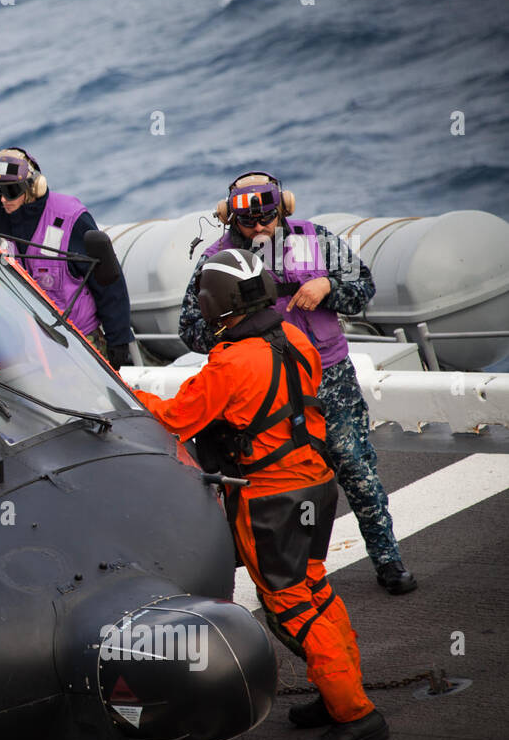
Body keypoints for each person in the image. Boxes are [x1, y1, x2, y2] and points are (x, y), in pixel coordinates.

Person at [140, 248, 388, 740]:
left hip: (271, 497)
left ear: (216, 303)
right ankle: (340, 693)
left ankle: (356, 715)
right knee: (316, 587)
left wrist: (123, 395)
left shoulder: (230, 363)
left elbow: (175, 418)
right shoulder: (295, 336)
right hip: (317, 483)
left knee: (292, 604)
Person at [178, 171, 416, 595]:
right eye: (246, 222)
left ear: (283, 208)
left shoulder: (316, 239)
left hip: (330, 379)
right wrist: (236, 327)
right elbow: (190, 329)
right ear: (230, 217)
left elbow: (364, 288)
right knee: (286, 486)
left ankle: (388, 560)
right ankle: (296, 579)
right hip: (267, 394)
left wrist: (328, 286)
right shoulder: (217, 260)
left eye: (265, 218)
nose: (257, 229)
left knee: (357, 470)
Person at [0, 147, 134, 365]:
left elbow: (108, 282)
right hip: (34, 348)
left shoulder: (70, 216)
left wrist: (118, 340)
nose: (3, 199)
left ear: (33, 186)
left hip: (83, 341)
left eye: (11, 191)